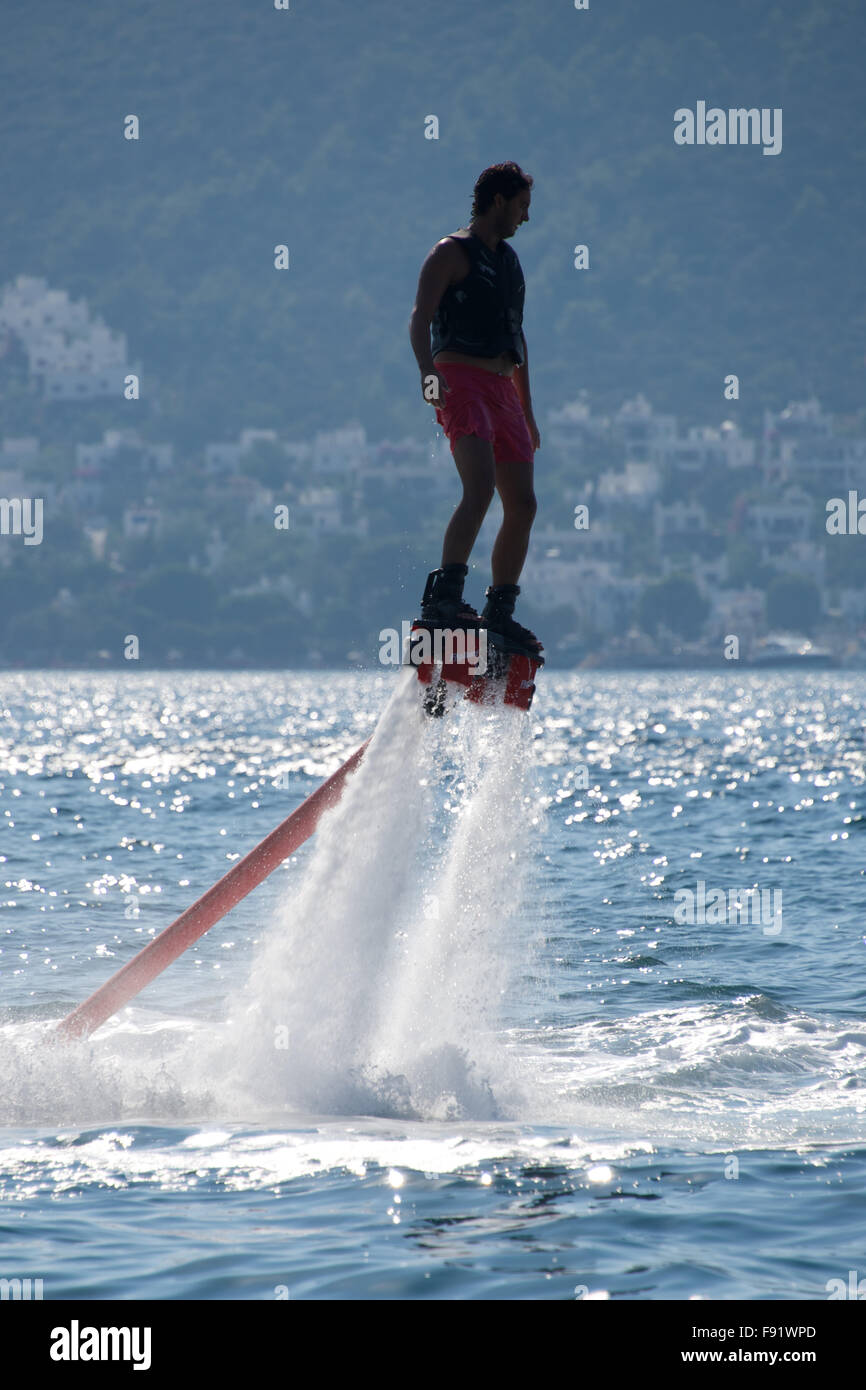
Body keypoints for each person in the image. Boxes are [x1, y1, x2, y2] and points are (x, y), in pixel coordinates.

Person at [408, 161, 542, 656]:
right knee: (480, 487)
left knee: (524, 504)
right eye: (522, 207)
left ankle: (500, 611)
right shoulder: (451, 252)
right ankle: (445, 598)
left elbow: (519, 338)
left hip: (504, 389)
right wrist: (428, 372)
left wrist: (527, 412)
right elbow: (419, 316)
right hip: (460, 379)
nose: (525, 219)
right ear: (499, 200)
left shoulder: (510, 263)